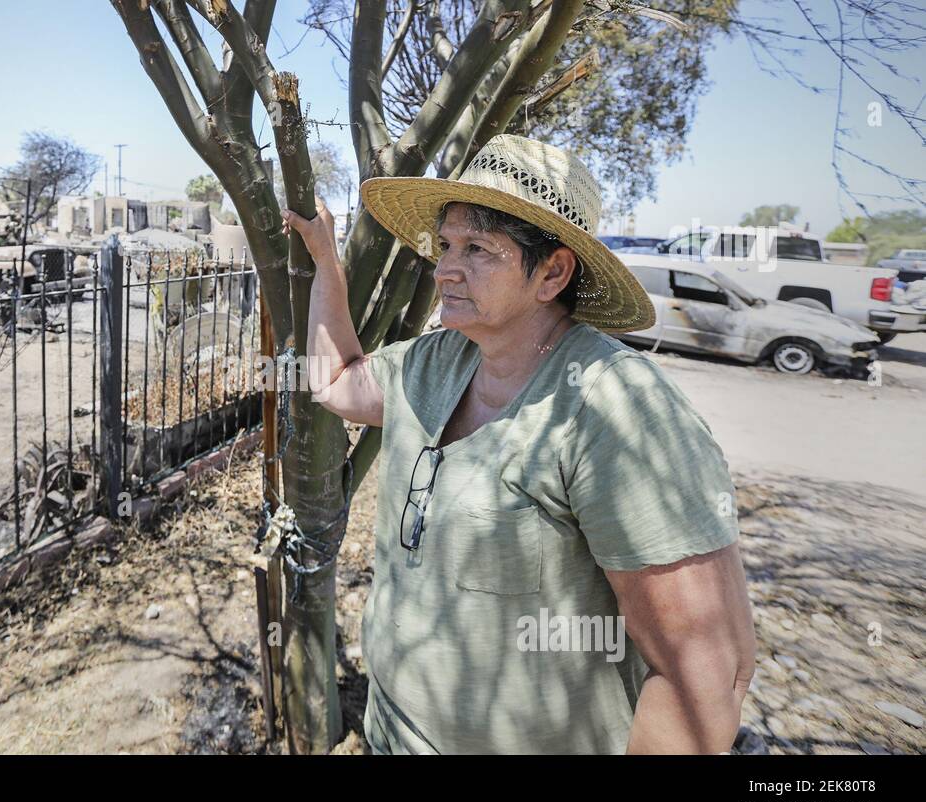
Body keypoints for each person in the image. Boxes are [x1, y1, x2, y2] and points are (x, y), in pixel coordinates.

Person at [280, 134, 756, 754]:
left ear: (552, 272)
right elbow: (337, 381)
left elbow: (706, 672)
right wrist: (327, 265)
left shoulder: (614, 407)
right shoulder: (437, 361)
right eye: (447, 245)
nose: (445, 268)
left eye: (478, 249)